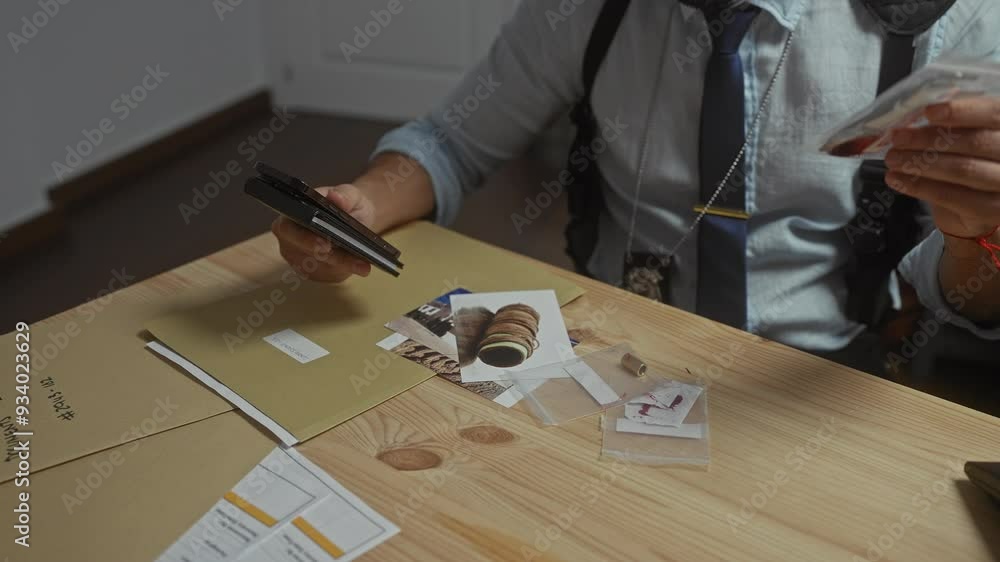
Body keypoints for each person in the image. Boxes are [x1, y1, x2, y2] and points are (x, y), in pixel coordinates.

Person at [271, 0, 1000, 368]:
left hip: (827, 372)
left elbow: (963, 299)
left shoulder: (949, 24)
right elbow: (451, 141)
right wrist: (364, 202)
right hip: (607, 353)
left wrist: (976, 231)